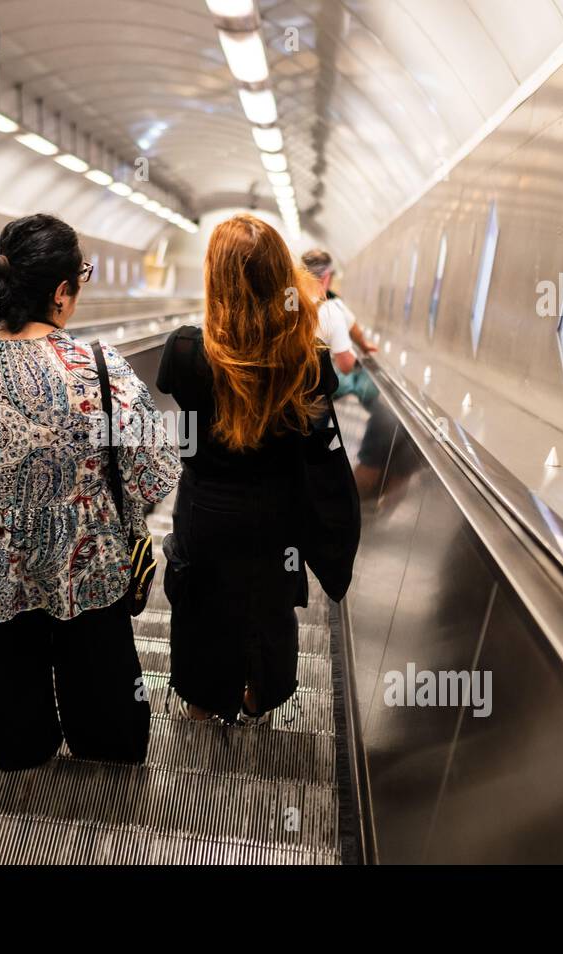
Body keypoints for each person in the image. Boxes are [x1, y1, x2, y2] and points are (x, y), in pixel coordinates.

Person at [0, 213, 180, 770]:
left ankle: (18, 751)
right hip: (87, 552)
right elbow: (155, 472)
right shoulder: (100, 368)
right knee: (99, 671)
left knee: (0, 667)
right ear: (61, 292)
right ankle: (106, 753)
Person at [157, 214, 339, 724]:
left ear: (216, 278)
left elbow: (176, 384)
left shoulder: (187, 349)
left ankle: (202, 702)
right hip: (278, 509)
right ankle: (260, 696)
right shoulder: (309, 358)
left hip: (206, 507)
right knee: (270, 604)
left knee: (199, 602)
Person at [301, 249, 378, 407]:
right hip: (313, 398)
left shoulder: (286, 304)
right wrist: (362, 347)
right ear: (327, 277)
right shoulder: (333, 309)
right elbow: (345, 364)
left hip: (282, 392)